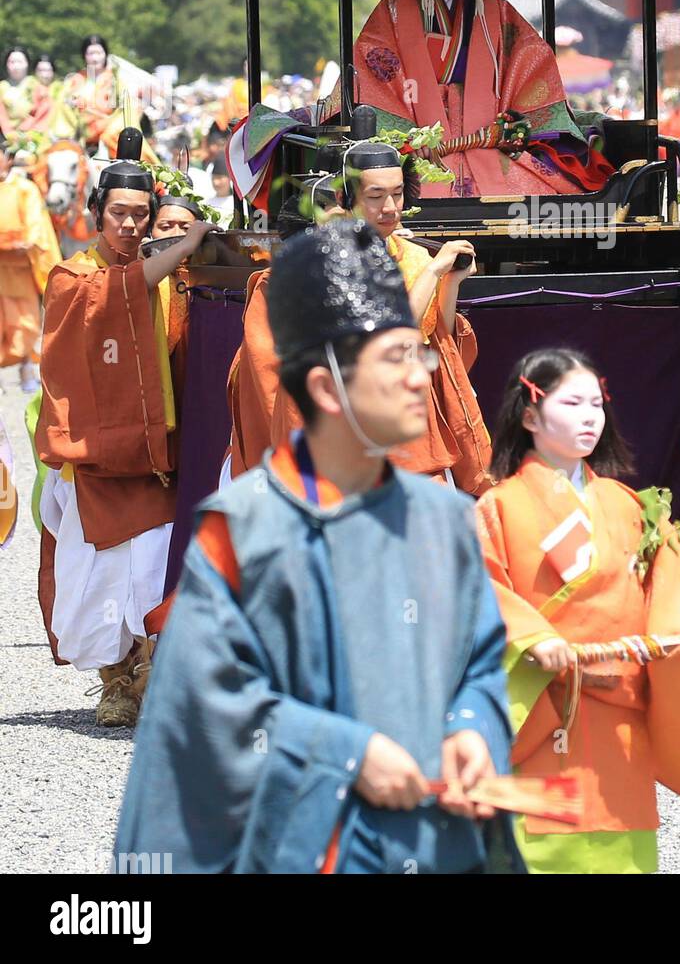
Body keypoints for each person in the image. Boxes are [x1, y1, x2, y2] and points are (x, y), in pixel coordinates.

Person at [114, 220, 516, 874]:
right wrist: (343, 752)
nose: (421, 376)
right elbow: (203, 711)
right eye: (397, 359)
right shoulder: (243, 531)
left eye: (422, 355)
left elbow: (479, 667)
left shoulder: (445, 521)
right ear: (328, 389)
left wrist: (474, 726)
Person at [475, 348, 680, 874]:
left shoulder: (628, 505)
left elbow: (675, 598)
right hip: (540, 705)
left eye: (596, 404)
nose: (590, 416)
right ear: (530, 415)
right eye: (573, 403)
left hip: (618, 712)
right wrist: (536, 640)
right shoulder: (497, 507)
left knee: (621, 850)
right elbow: (478, 589)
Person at [35, 131, 211, 726]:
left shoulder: (166, 279)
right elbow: (112, 296)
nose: (131, 226)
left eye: (142, 215)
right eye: (119, 214)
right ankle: (113, 684)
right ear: (95, 214)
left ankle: (148, 675)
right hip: (95, 455)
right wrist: (184, 246)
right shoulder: (73, 275)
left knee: (154, 567)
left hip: (156, 454)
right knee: (99, 575)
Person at [228, 141, 491, 495]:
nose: (390, 207)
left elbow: (437, 340)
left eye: (397, 194)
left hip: (413, 432)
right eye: (375, 196)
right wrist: (434, 272)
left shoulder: (410, 254)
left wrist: (449, 282)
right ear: (347, 199)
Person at [316, 0, 612, 197]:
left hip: (485, 141)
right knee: (402, 187)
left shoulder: (494, 8)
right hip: (420, 144)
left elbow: (530, 58)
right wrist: (411, 139)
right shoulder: (392, 9)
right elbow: (372, 72)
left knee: (541, 190)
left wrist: (509, 121)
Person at [0, 141, 61, 392]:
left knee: (23, 321)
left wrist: (17, 243)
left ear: (8, 159)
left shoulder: (24, 189)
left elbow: (34, 230)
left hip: (18, 267)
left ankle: (26, 367)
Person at [62, 35, 118, 151]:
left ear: (105, 54)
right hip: (80, 135)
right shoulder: (76, 79)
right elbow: (65, 106)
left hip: (109, 134)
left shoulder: (115, 78)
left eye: (98, 53)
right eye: (90, 54)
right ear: (84, 56)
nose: (95, 58)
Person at [0, 46, 35, 135]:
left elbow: (39, 111)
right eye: (12, 62)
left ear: (27, 63)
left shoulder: (35, 85)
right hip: (5, 134)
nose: (16, 66)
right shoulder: (2, 87)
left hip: (31, 134)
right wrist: (9, 133)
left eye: (19, 62)